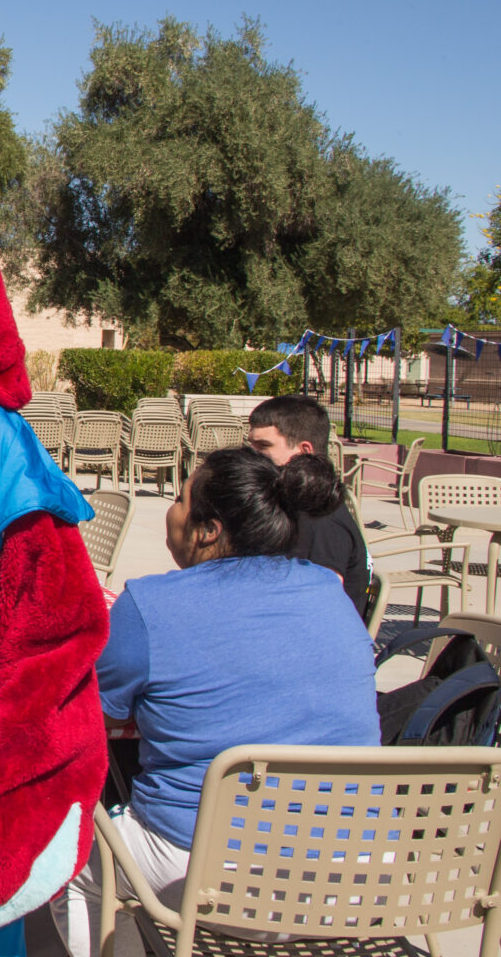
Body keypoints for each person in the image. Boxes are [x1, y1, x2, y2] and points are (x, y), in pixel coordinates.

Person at [51, 447, 381, 957]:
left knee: (64, 864)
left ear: (208, 530)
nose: (172, 510)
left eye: (180, 499)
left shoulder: (150, 605)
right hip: (353, 873)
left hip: (216, 872)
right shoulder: (330, 591)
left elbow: (90, 712)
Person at [247, 394, 371, 610]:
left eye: (263, 446)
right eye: (251, 446)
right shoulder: (292, 504)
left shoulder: (320, 519)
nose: (252, 455)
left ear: (304, 452)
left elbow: (320, 605)